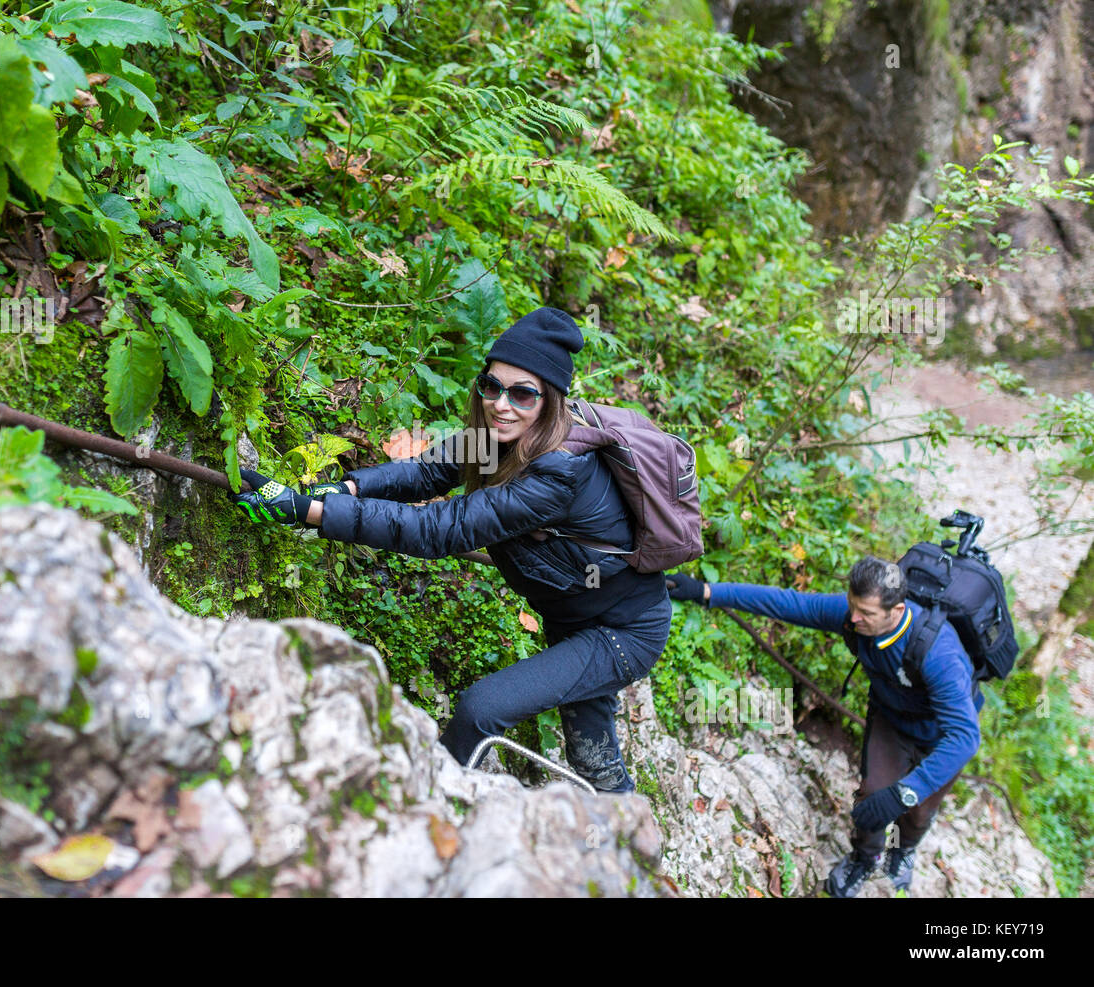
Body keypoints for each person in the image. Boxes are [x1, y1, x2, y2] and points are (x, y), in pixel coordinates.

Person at [231, 307, 671, 793]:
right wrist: (342, 490)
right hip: (575, 616)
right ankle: (621, 838)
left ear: (552, 401)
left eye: (523, 393)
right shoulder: (503, 439)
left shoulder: (559, 473)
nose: (501, 404)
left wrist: (308, 511)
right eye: (492, 386)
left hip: (621, 633)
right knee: (592, 756)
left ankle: (428, 807)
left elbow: (441, 528)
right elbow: (426, 474)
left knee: (480, 710)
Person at [665, 558, 982, 896]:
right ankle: (865, 857)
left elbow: (964, 737)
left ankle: (904, 850)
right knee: (873, 795)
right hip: (891, 719)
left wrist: (907, 791)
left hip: (941, 737)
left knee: (918, 812)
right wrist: (708, 591)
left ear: (897, 610)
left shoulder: (938, 653)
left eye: (866, 613)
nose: (854, 618)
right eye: (852, 607)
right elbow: (790, 603)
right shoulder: (855, 616)